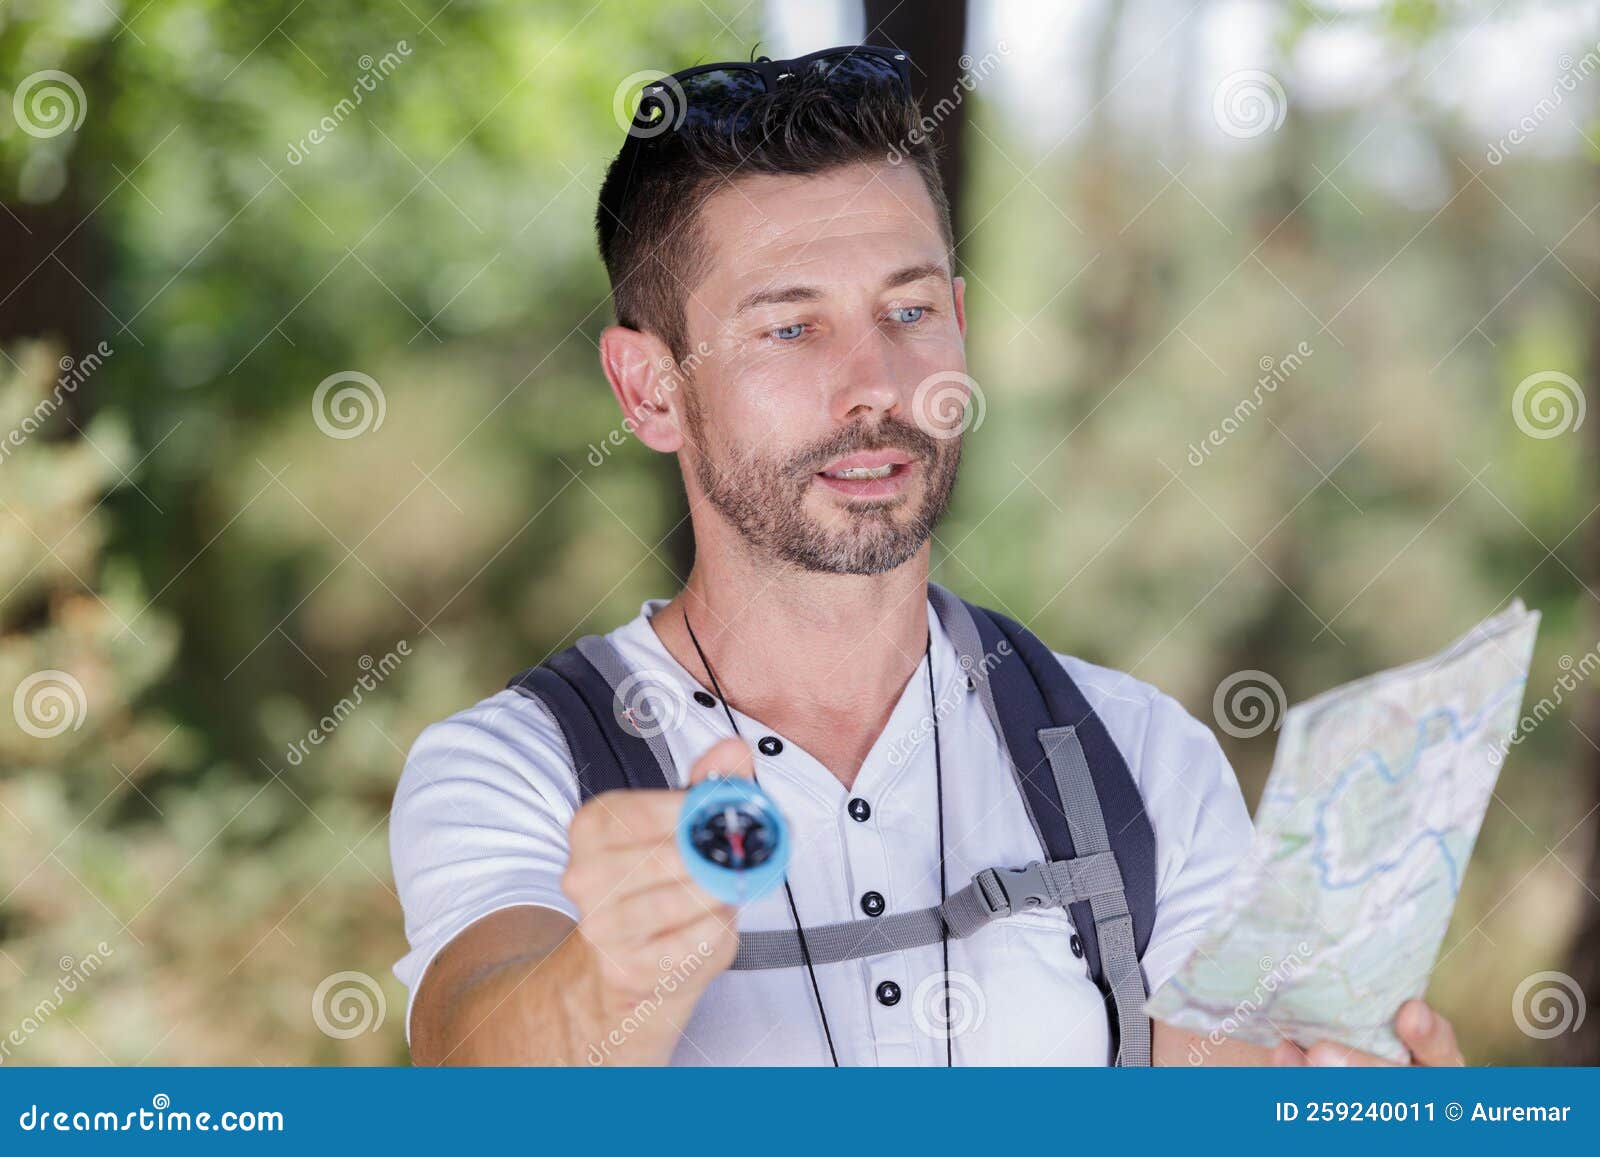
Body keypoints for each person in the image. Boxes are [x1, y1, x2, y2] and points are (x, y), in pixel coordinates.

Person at [388, 46, 1464, 1068]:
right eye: (790, 329)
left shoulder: (1137, 759)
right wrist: (607, 980)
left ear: (956, 319)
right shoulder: (519, 768)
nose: (876, 385)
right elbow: (469, 1060)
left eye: (907, 310)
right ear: (649, 389)